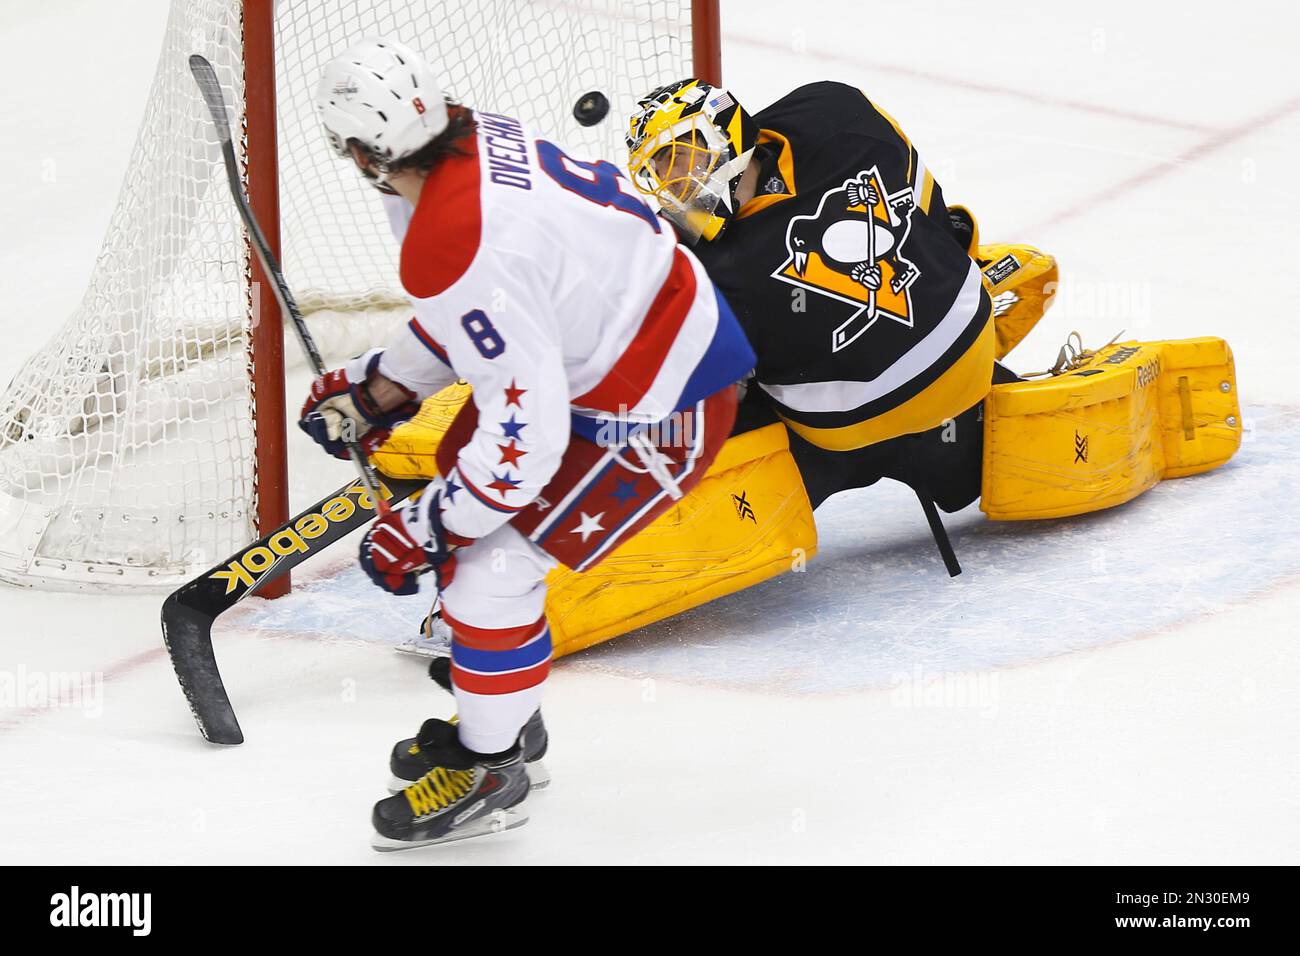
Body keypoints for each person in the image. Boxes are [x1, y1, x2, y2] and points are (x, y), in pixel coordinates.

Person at [299, 39, 755, 849]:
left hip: (666, 404)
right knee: (459, 484)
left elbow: (527, 436)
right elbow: (487, 313)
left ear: (364, 151)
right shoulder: (472, 140)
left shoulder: (455, 232)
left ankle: (493, 766)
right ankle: (507, 709)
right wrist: (383, 386)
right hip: (626, 354)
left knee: (486, 568)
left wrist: (428, 527)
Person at [624, 80, 1057, 518]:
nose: (674, 181)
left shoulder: (687, 260)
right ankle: (998, 413)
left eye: (681, 156)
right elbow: (938, 219)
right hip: (962, 372)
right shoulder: (833, 109)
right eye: (660, 171)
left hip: (828, 437)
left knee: (723, 386)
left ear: (724, 131)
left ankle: (724, 515)